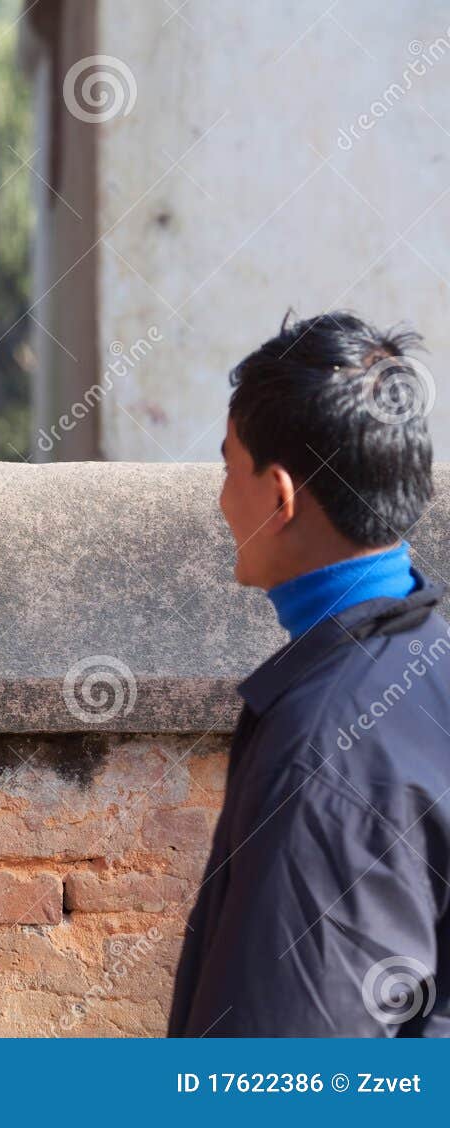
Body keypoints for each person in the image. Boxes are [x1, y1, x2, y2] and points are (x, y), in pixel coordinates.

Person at [169, 311, 450, 1036]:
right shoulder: (429, 665)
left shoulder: (328, 745)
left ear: (280, 496)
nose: (222, 499)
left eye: (230, 468)